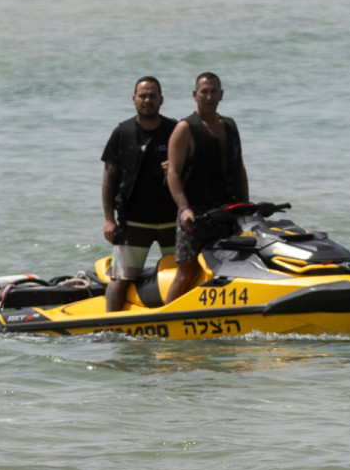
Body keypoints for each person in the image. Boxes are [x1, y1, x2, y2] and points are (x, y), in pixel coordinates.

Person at [162, 72, 250, 304]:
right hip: (196, 214)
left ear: (221, 95)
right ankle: (166, 318)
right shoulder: (185, 128)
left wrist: (246, 205)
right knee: (186, 272)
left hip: (228, 210)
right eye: (204, 92)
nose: (209, 96)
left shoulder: (229, 126)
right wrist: (184, 209)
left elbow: (239, 168)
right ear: (195, 95)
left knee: (234, 268)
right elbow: (172, 173)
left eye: (213, 91)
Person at [100, 77, 179, 313]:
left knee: (184, 275)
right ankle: (109, 328)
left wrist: (177, 168)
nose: (147, 100)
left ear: (161, 100)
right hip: (134, 220)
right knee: (120, 279)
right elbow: (109, 177)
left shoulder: (174, 129)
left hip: (171, 220)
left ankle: (179, 320)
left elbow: (194, 169)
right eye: (142, 95)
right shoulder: (122, 132)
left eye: (152, 96)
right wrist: (108, 219)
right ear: (134, 99)